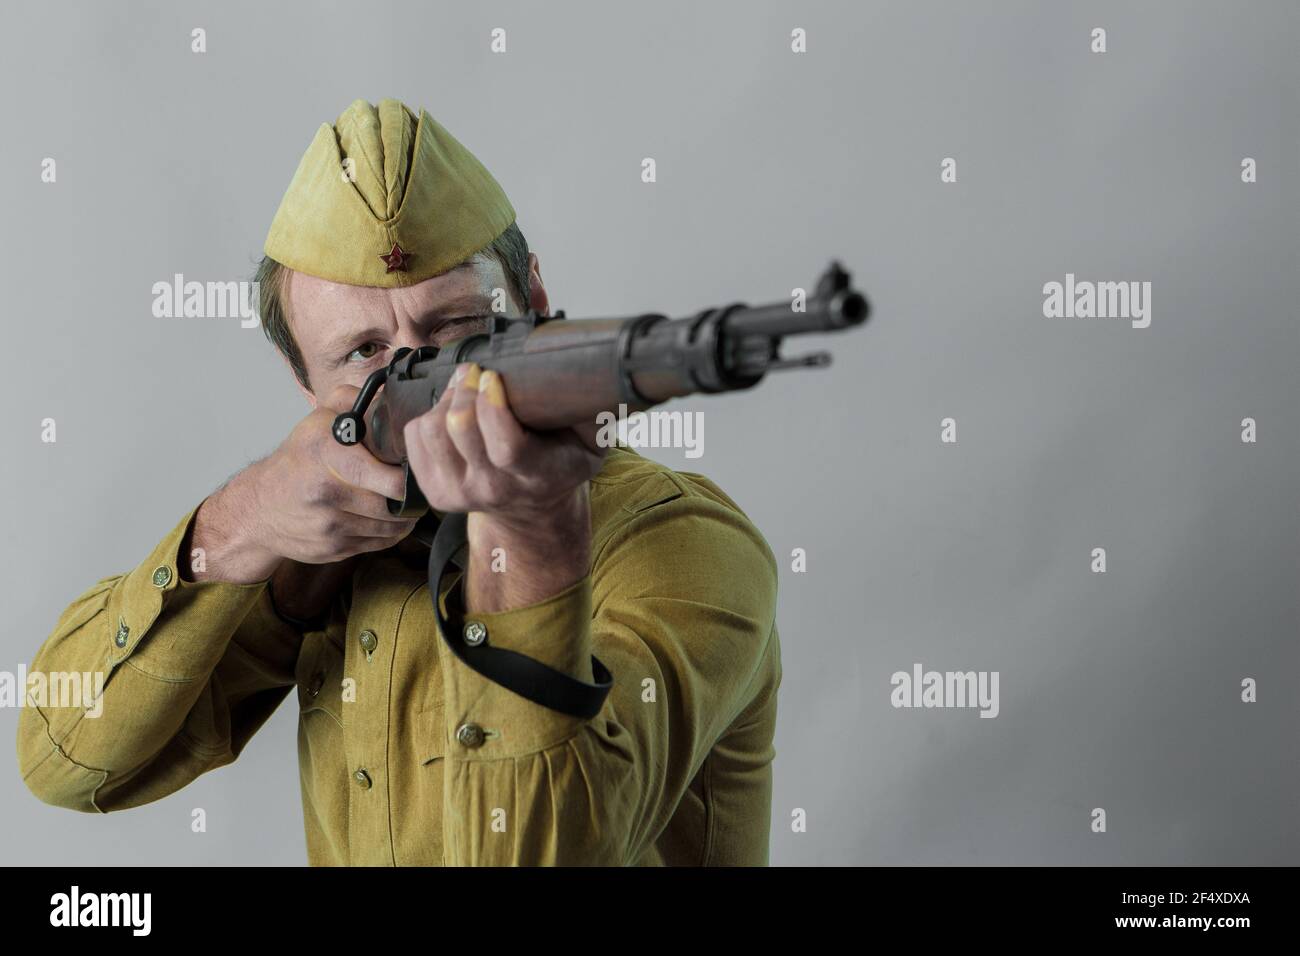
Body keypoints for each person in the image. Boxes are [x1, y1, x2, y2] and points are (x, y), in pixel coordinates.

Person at [16, 98, 782, 866]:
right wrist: (242, 527)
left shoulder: (684, 544)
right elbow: (62, 759)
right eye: (363, 351)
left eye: (454, 328)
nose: (428, 387)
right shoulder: (335, 543)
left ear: (535, 303)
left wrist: (531, 535)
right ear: (300, 378)